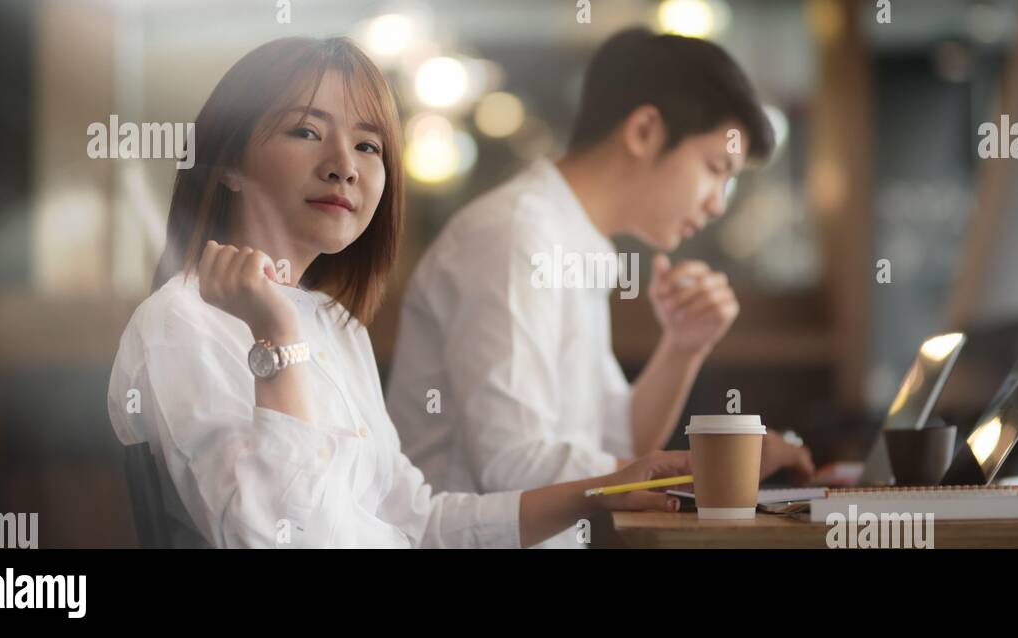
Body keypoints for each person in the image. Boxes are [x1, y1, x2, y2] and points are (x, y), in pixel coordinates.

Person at [106, 36, 689, 549]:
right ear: (227, 164)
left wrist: (608, 490)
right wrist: (276, 340)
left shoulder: (335, 325)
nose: (344, 167)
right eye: (306, 131)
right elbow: (271, 539)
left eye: (368, 145)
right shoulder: (180, 323)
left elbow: (420, 525)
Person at [386, 28, 814, 548]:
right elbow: (512, 464)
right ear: (644, 131)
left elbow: (619, 442)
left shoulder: (578, 242)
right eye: (715, 169)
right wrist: (714, 470)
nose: (719, 204)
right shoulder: (517, 236)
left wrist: (684, 346)